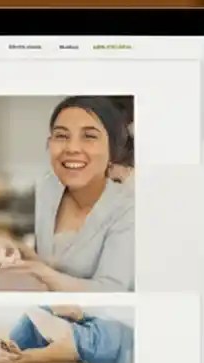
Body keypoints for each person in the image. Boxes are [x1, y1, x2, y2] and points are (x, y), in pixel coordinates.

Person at [7, 96, 135, 292]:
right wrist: (9, 246)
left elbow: (111, 290)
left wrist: (42, 273)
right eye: (61, 136)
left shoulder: (127, 208)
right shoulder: (48, 186)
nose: (72, 148)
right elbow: (48, 262)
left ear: (113, 149)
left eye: (89, 136)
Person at [0, 306, 134, 363]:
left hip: (117, 341)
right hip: (116, 339)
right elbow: (75, 315)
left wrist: (22, 358)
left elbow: (75, 316)